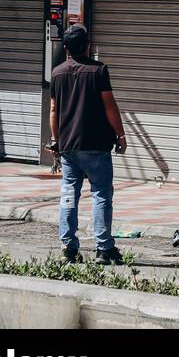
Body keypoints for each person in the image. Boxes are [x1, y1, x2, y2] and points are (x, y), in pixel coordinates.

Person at [49, 24, 127, 264]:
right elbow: (109, 106)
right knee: (101, 194)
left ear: (66, 49)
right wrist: (121, 135)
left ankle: (68, 248)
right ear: (88, 46)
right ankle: (104, 249)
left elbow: (53, 110)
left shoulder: (57, 73)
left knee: (69, 194)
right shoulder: (98, 71)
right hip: (96, 145)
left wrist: (56, 141)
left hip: (69, 147)